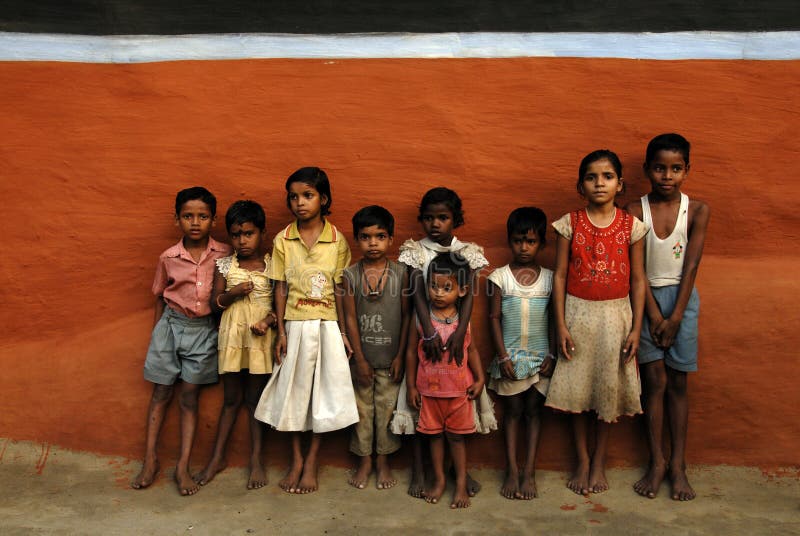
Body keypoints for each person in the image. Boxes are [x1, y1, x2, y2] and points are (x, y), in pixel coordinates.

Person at [545, 150, 648, 496]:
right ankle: (583, 461)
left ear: (621, 184)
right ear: (580, 185)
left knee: (607, 389)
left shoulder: (631, 226)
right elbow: (559, 276)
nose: (599, 183)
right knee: (576, 391)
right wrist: (560, 324)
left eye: (607, 176)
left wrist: (635, 328)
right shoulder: (568, 223)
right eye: (591, 177)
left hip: (616, 318)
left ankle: (600, 460)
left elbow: (637, 279)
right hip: (576, 315)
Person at [254, 167, 358, 494]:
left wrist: (342, 331)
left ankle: (312, 460)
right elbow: (280, 287)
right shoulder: (283, 240)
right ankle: (296, 459)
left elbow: (340, 289)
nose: (300, 203)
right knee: (293, 394)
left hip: (327, 326)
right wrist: (282, 331)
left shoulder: (337, 240)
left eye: (308, 196)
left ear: (323, 199)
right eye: (294, 197)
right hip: (295, 325)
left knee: (322, 395)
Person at [391, 186, 494, 498]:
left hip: (456, 334)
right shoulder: (416, 251)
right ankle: (422, 472)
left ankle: (456, 473)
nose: (435, 224)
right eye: (429, 218)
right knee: (423, 411)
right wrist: (428, 330)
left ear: (456, 219)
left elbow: (471, 295)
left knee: (458, 414)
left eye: (443, 218)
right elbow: (416, 293)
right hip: (425, 330)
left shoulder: (467, 252)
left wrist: (461, 330)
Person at [131, 186, 232, 495]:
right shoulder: (168, 257)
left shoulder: (224, 254)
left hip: (204, 332)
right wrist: (156, 336)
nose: (195, 222)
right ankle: (150, 460)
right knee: (161, 393)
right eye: (188, 216)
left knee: (189, 398)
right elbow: (160, 296)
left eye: (202, 216)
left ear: (213, 220)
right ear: (177, 219)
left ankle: (183, 466)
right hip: (170, 327)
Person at [626, 133, 710, 501]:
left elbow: (691, 265)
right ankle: (656, 461)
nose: (667, 175)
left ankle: (678, 464)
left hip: (682, 301)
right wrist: (655, 315)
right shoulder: (634, 210)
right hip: (645, 301)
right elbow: (638, 270)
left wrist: (675, 316)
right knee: (653, 382)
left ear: (687, 171)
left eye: (676, 169)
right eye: (659, 168)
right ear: (647, 169)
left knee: (678, 383)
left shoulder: (698, 210)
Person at [194, 200, 277, 490]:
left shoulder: (272, 266)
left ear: (262, 233)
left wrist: (267, 321)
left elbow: (281, 308)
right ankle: (216, 458)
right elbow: (215, 305)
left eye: (249, 233)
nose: (242, 240)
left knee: (255, 402)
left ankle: (256, 461)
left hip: (259, 341)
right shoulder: (226, 265)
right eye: (236, 234)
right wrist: (235, 293)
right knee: (230, 401)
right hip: (232, 339)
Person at [406, 253, 486, 509]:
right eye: (434, 286)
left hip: (459, 394)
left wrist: (480, 378)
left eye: (446, 288)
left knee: (456, 439)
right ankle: (439, 479)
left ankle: (460, 482)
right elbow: (410, 353)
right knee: (435, 439)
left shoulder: (463, 321)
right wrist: (410, 387)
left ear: (462, 291)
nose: (439, 293)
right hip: (429, 394)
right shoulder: (421, 319)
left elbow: (471, 350)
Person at [487, 207, 555, 500]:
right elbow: (493, 318)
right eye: (517, 241)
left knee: (534, 412)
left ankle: (529, 471)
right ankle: (512, 470)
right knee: (513, 412)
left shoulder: (552, 279)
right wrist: (503, 358)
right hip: (511, 358)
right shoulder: (499, 277)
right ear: (509, 241)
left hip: (541, 358)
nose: (523, 247)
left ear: (542, 243)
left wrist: (552, 353)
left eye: (530, 241)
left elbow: (554, 318)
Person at [342, 206, 411, 490]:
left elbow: (408, 316)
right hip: (362, 359)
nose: (373, 243)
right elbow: (348, 317)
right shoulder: (349, 275)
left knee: (386, 408)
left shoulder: (402, 273)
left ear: (391, 239)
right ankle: (365, 460)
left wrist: (400, 355)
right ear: (357, 239)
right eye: (366, 237)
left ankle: (383, 460)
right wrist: (359, 359)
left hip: (390, 357)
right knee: (361, 410)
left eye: (380, 236)